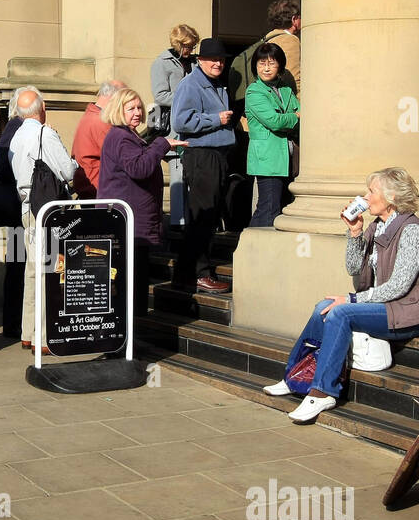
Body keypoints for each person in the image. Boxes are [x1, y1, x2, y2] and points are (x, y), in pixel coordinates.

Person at [264, 168, 419, 424]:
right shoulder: (378, 227)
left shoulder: (411, 230)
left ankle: (323, 391)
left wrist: (351, 300)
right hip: (385, 306)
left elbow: (398, 287)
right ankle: (295, 376)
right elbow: (353, 268)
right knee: (324, 306)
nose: (365, 196)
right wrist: (354, 232)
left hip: (410, 312)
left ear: (391, 196)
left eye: (371, 191)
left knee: (340, 311)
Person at [96, 88, 188, 317]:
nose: (137, 113)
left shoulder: (128, 135)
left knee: (134, 280)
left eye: (139, 107)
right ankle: (126, 340)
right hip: (127, 224)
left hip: (134, 223)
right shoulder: (121, 137)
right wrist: (161, 144)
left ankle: (130, 336)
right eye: (131, 108)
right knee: (129, 283)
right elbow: (139, 168)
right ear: (119, 110)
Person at [9, 86, 77, 350]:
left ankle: (28, 332)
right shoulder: (45, 134)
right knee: (48, 272)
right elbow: (68, 171)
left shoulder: (16, 137)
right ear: (43, 109)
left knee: (33, 271)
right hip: (46, 211)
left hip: (27, 208)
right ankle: (44, 337)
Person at [172, 36, 236, 293]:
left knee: (207, 217)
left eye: (221, 59)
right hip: (202, 156)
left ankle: (186, 275)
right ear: (200, 60)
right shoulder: (191, 84)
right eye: (212, 59)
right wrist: (216, 119)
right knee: (202, 217)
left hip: (216, 155)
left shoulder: (216, 83)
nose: (218, 63)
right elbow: (180, 122)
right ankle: (199, 273)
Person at [0, 93, 26, 339]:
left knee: (17, 265)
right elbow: (7, 168)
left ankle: (13, 323)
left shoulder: (15, 128)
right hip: (16, 209)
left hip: (13, 210)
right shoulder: (16, 128)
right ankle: (13, 323)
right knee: (18, 267)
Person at [245, 42, 300, 227]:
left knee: (280, 208)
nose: (266, 68)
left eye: (271, 63)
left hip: (288, 159)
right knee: (268, 208)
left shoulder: (286, 89)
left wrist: (292, 117)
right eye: (261, 63)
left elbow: (302, 115)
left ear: (280, 66)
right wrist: (294, 117)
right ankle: (252, 249)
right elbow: (274, 122)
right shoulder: (254, 91)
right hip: (267, 159)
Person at [71, 79, 125, 199]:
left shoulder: (91, 115)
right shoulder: (101, 121)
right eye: (124, 100)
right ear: (114, 97)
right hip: (99, 188)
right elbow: (123, 156)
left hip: (92, 186)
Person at [150, 24, 199, 136]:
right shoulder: (162, 63)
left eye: (193, 46)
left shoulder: (195, 62)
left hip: (193, 121)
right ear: (178, 44)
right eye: (188, 46)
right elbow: (160, 96)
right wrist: (187, 100)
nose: (191, 50)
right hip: (171, 124)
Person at [263, 0, 302, 94]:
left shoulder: (268, 39)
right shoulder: (290, 40)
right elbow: (293, 78)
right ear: (294, 19)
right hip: (286, 102)